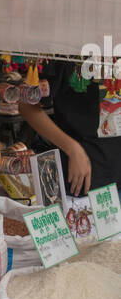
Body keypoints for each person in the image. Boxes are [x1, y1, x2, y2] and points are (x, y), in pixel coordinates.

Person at [19, 60, 121, 197]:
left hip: (115, 177)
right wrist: (73, 149)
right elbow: (26, 104)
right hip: (81, 184)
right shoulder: (69, 53)